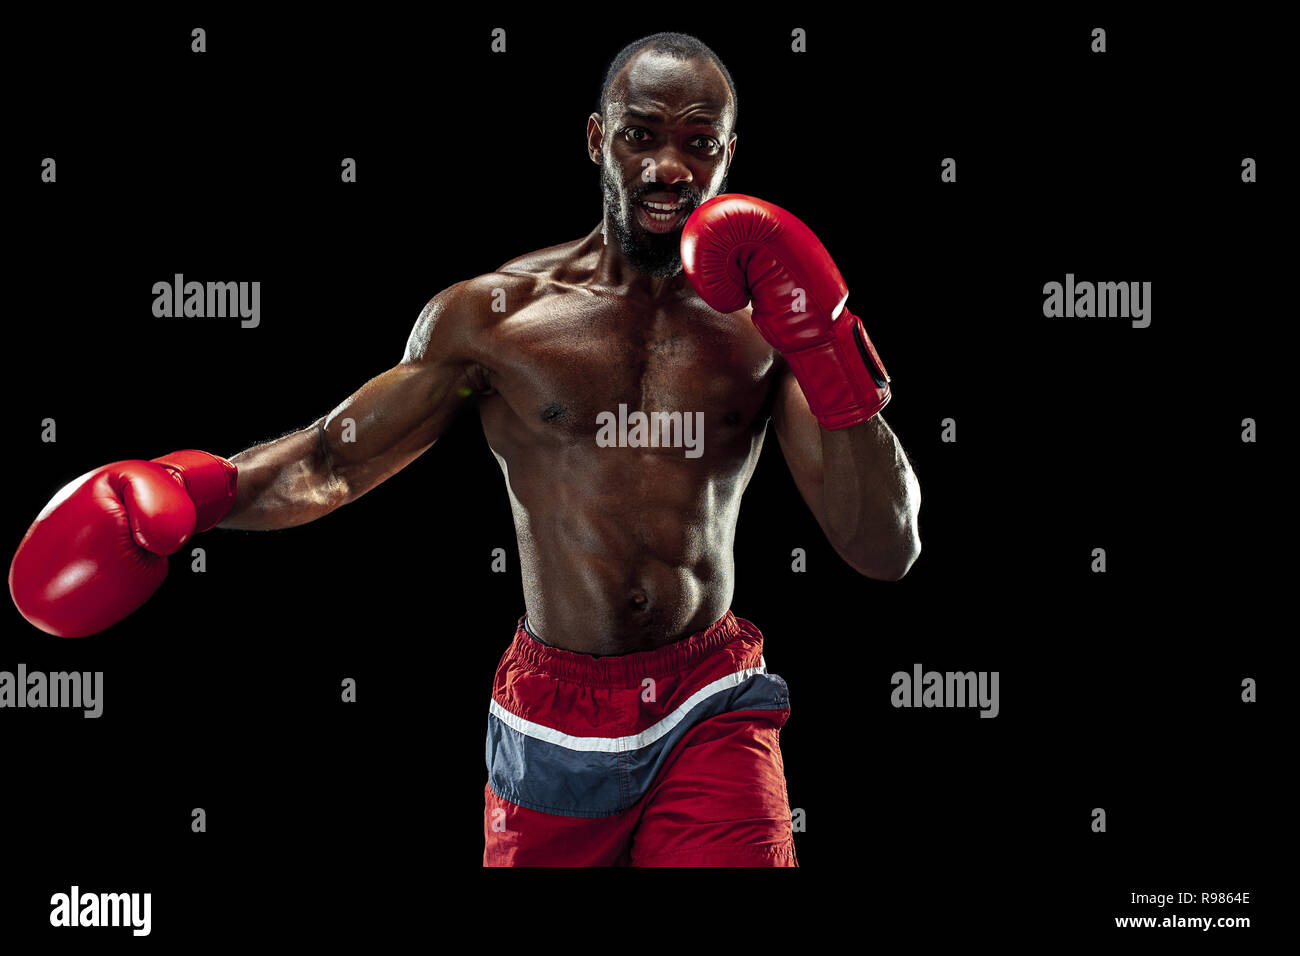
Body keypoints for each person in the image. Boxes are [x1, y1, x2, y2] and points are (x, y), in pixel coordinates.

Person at [10, 32, 920, 866]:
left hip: (707, 699)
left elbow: (884, 547)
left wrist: (830, 347)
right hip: (556, 712)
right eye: (643, 135)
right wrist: (196, 490)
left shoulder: (768, 330)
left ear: (729, 152)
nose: (669, 165)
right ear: (597, 139)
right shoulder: (499, 319)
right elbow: (335, 458)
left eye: (699, 141)